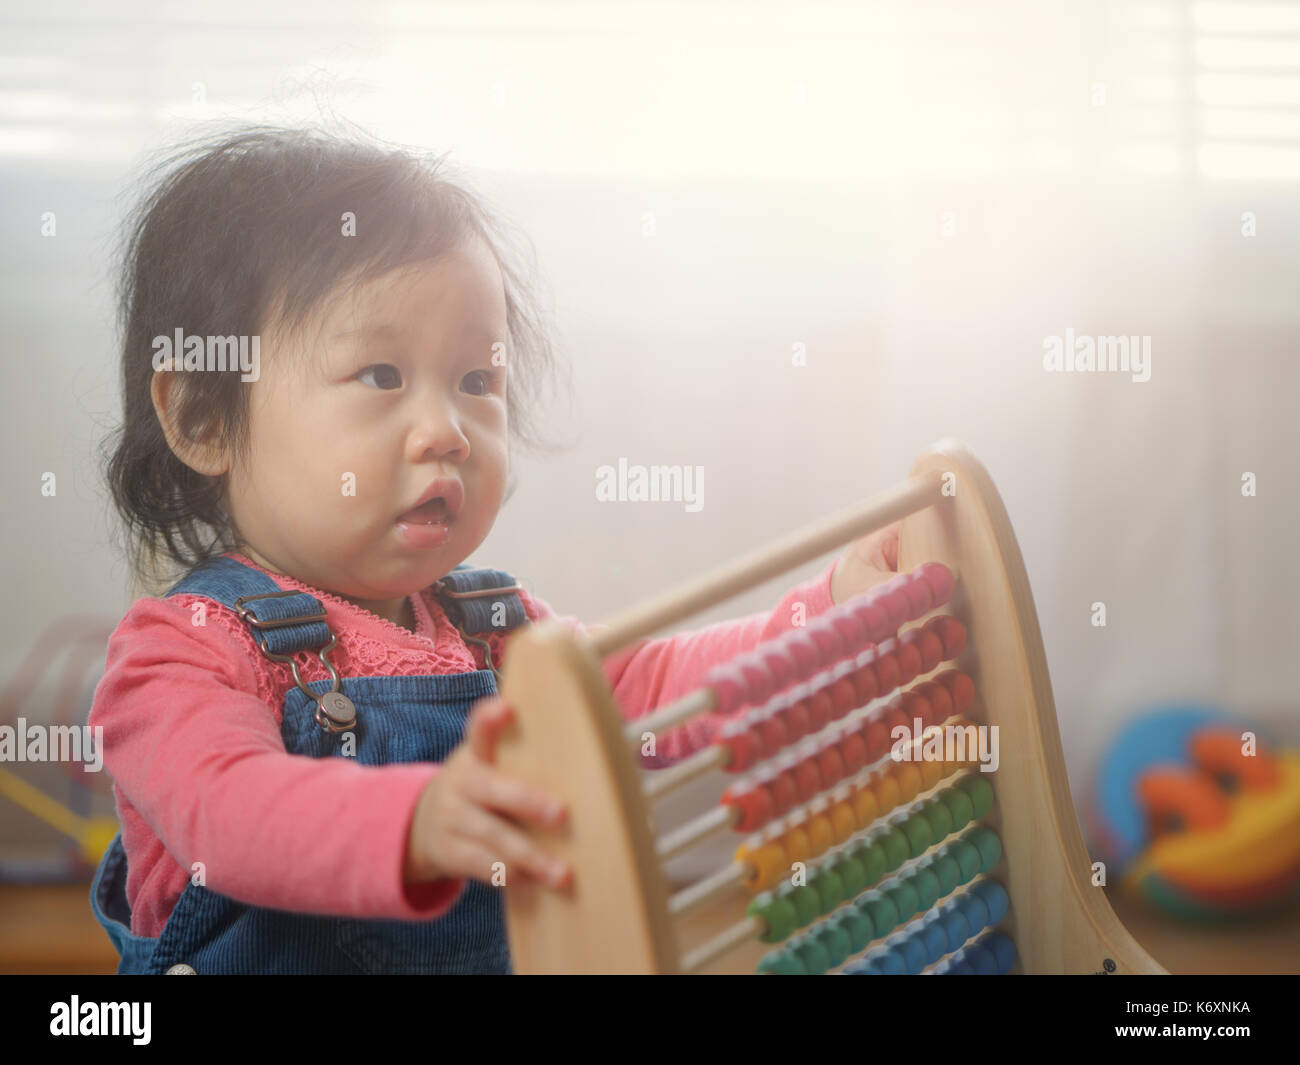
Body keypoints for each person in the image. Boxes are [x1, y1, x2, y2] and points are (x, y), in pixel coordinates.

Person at [88, 125, 900, 974]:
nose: (446, 431)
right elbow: (232, 813)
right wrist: (413, 822)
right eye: (381, 376)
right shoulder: (181, 651)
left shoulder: (494, 631)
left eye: (478, 381)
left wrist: (830, 612)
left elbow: (651, 692)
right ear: (203, 418)